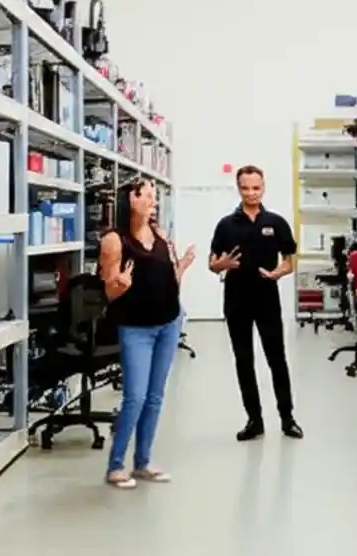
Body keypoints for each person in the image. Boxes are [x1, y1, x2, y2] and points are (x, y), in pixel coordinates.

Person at [100, 178, 196, 489]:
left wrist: (182, 267)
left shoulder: (160, 235)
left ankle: (142, 463)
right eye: (148, 197)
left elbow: (172, 281)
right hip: (136, 328)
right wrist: (120, 286)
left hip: (168, 322)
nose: (153, 202)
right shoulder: (114, 241)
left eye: (155, 197)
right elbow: (109, 292)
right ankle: (116, 466)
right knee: (135, 397)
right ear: (131, 200)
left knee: (155, 398)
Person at [209, 165, 304, 442]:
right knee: (244, 360)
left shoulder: (276, 223)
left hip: (267, 299)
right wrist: (221, 265)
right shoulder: (226, 225)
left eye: (256, 188)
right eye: (245, 188)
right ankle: (254, 419)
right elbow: (212, 263)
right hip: (237, 300)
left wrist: (280, 272)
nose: (251, 193)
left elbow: (288, 260)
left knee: (277, 359)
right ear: (238, 188)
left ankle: (287, 418)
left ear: (263, 188)